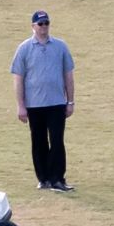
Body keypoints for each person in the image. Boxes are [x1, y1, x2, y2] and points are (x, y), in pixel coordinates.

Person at [11, 10, 76, 193]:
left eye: (46, 23)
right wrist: (21, 105)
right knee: (38, 141)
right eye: (40, 24)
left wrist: (70, 101)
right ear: (33, 26)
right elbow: (18, 78)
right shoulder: (24, 49)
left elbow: (68, 75)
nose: (44, 27)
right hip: (34, 105)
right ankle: (43, 178)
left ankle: (58, 179)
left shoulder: (60, 46)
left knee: (57, 141)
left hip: (56, 103)